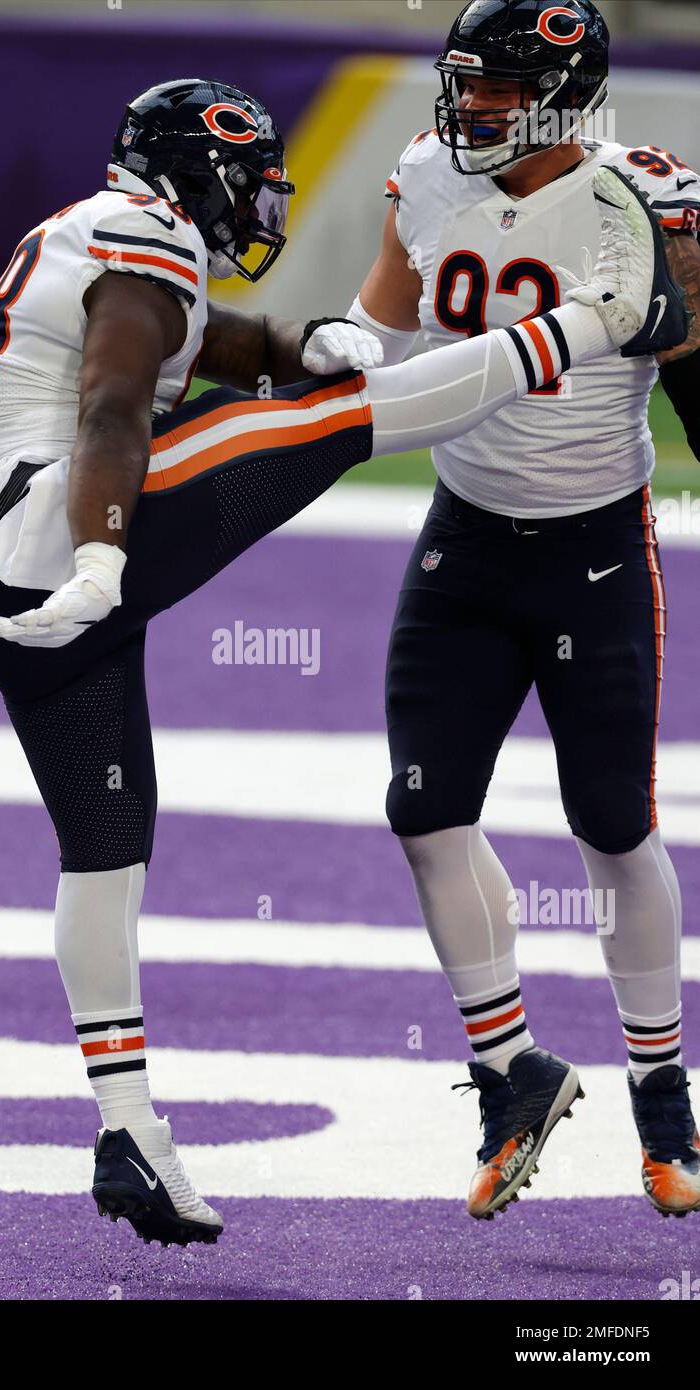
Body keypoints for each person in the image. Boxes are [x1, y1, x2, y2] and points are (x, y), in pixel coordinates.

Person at [0, 74, 687, 1244]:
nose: (261, 198)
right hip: (57, 527)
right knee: (351, 416)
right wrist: (99, 553)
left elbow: (201, 340)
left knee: (104, 848)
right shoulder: (144, 238)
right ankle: (580, 328)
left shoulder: (94, 234)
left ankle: (131, 1132)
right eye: (244, 175)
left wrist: (298, 337)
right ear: (192, 170)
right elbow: (115, 408)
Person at [332, 0, 700, 1219]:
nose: (469, 108)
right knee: (425, 808)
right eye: (465, 85)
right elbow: (376, 329)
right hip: (467, 539)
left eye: (495, 89)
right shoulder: (429, 173)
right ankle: (510, 1076)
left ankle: (666, 1111)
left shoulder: (640, 199)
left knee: (611, 825)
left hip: (594, 545)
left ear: (560, 96)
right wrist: (311, 366)